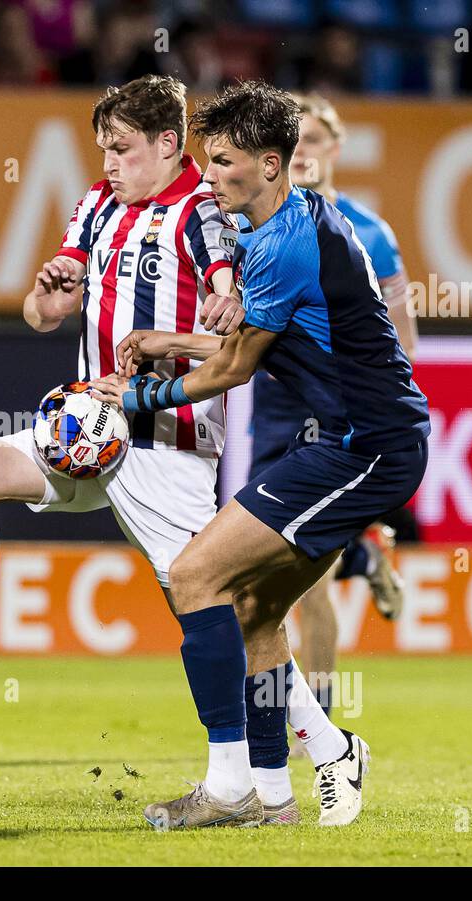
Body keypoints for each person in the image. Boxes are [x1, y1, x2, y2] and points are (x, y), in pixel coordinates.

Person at [0, 75, 352, 826]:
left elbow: (230, 318)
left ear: (167, 143)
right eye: (102, 149)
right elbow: (41, 313)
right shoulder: (95, 205)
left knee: (215, 607)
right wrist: (49, 291)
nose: (110, 163)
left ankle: (307, 754)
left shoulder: (204, 214)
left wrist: (222, 300)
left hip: (166, 441)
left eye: (122, 149)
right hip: (89, 430)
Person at [93, 80, 430, 829]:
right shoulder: (296, 219)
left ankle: (230, 786)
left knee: (193, 575)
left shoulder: (281, 241)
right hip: (355, 443)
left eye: (222, 162)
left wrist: (135, 397)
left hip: (368, 451)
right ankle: (282, 793)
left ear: (272, 164)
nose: (206, 176)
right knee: (254, 609)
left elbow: (235, 369)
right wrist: (170, 340)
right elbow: (257, 344)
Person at [249, 92, 416, 742]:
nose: (306, 152)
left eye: (317, 139)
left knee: (301, 564)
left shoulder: (370, 231)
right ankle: (367, 555)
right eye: (297, 141)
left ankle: (314, 721)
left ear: (336, 149)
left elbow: (403, 333)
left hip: (337, 402)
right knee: (276, 563)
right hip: (274, 405)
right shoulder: (261, 224)